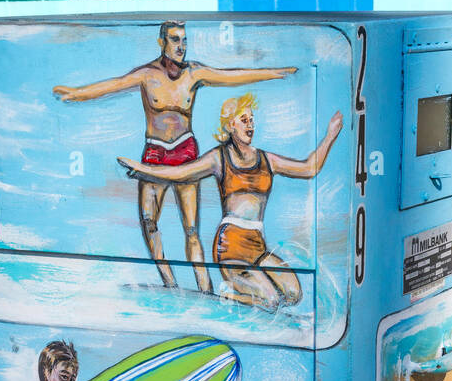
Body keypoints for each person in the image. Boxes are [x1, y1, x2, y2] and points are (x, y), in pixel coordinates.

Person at [53, 21, 296, 293]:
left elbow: (231, 76)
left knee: (191, 228)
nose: (181, 47)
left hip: (185, 150)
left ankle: (204, 288)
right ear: (162, 42)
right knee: (148, 221)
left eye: (184, 40)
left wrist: (275, 73)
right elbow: (114, 85)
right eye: (175, 40)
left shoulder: (194, 74)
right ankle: (169, 282)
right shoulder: (147, 75)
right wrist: (76, 94)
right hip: (155, 150)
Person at [118, 94, 343, 310]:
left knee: (294, 295)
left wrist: (330, 135)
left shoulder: (266, 159)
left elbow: (308, 168)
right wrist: (142, 170)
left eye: (252, 120)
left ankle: (243, 291)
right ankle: (231, 294)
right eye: (244, 120)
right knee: (271, 301)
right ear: (230, 126)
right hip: (230, 247)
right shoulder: (219, 158)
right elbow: (180, 174)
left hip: (257, 247)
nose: (250, 125)